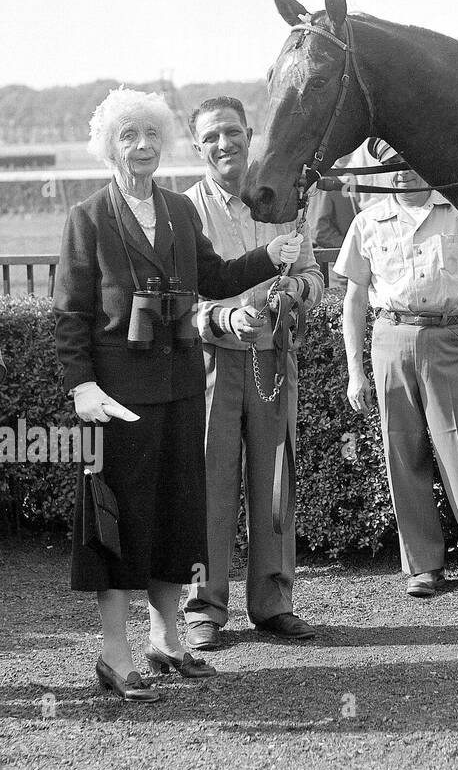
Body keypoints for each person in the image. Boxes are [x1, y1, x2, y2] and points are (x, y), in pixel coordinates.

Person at [54, 88, 302, 702]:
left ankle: (167, 644)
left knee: (174, 516)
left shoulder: (178, 212)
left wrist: (267, 256)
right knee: (117, 526)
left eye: (150, 137)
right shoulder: (87, 218)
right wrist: (81, 386)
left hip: (183, 388)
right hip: (116, 396)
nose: (141, 148)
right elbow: (70, 316)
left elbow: (213, 278)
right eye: (127, 137)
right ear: (109, 145)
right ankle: (115, 657)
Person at [335, 144, 458, 596]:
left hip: (449, 338)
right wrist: (356, 371)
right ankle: (422, 566)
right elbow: (354, 301)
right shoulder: (367, 222)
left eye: (409, 161)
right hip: (390, 340)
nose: (402, 174)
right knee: (403, 453)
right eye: (390, 165)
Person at [182, 96, 324, 650]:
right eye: (213, 136)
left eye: (234, 132)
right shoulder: (183, 211)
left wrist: (298, 291)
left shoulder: (281, 202)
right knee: (210, 488)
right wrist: (222, 316)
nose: (225, 144)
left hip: (274, 362)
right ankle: (202, 608)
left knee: (274, 485)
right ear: (198, 147)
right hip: (211, 365)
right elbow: (177, 300)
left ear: (250, 135)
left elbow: (315, 275)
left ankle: (272, 603)